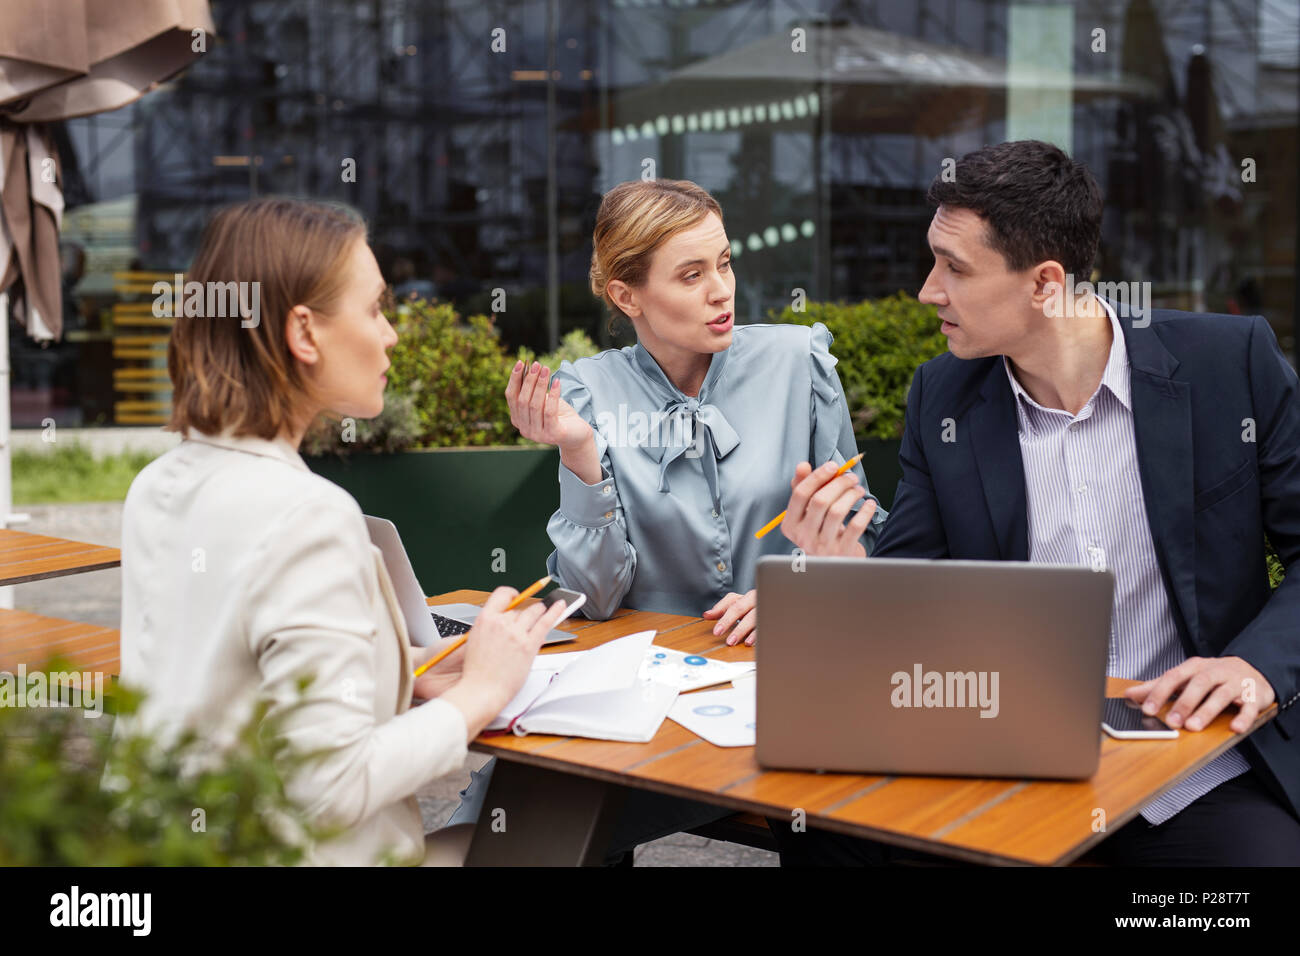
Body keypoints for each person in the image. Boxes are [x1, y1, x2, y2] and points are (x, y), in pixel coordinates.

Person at [778, 140, 1300, 866]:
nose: (929, 291)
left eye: (955, 268)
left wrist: (1256, 666)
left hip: (1196, 767)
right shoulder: (944, 397)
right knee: (820, 828)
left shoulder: (1230, 365)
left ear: (1045, 282)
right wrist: (842, 569)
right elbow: (915, 597)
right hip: (1007, 755)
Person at [115, 197, 571, 866]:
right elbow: (330, 785)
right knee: (552, 839)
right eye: (375, 308)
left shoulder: (157, 485)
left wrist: (398, 673)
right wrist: (483, 690)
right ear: (304, 333)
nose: (391, 334)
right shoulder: (308, 514)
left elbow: (226, 673)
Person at [446, 178, 889, 860]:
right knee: (531, 822)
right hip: (643, 703)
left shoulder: (798, 364)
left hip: (786, 691)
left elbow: (862, 533)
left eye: (725, 263)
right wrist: (580, 453)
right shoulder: (589, 392)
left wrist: (800, 590)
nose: (721, 290)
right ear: (627, 297)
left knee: (852, 829)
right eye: (691, 274)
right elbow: (593, 599)